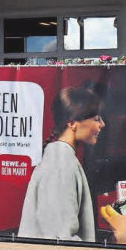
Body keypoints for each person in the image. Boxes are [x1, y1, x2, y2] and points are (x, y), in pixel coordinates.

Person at [18, 86, 104, 242]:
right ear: (72, 123)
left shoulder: (60, 157)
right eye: (96, 119)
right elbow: (59, 236)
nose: (102, 124)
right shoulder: (61, 162)